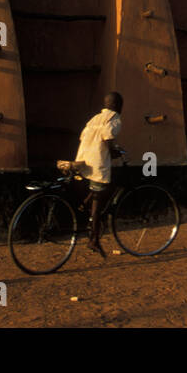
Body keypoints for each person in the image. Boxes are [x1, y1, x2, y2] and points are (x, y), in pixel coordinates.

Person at [74, 91, 124, 257]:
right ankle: (94, 239)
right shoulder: (115, 118)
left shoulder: (94, 118)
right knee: (100, 198)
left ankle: (86, 203)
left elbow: (85, 136)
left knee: (98, 187)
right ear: (117, 106)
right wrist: (113, 152)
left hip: (84, 160)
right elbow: (107, 136)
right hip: (97, 163)